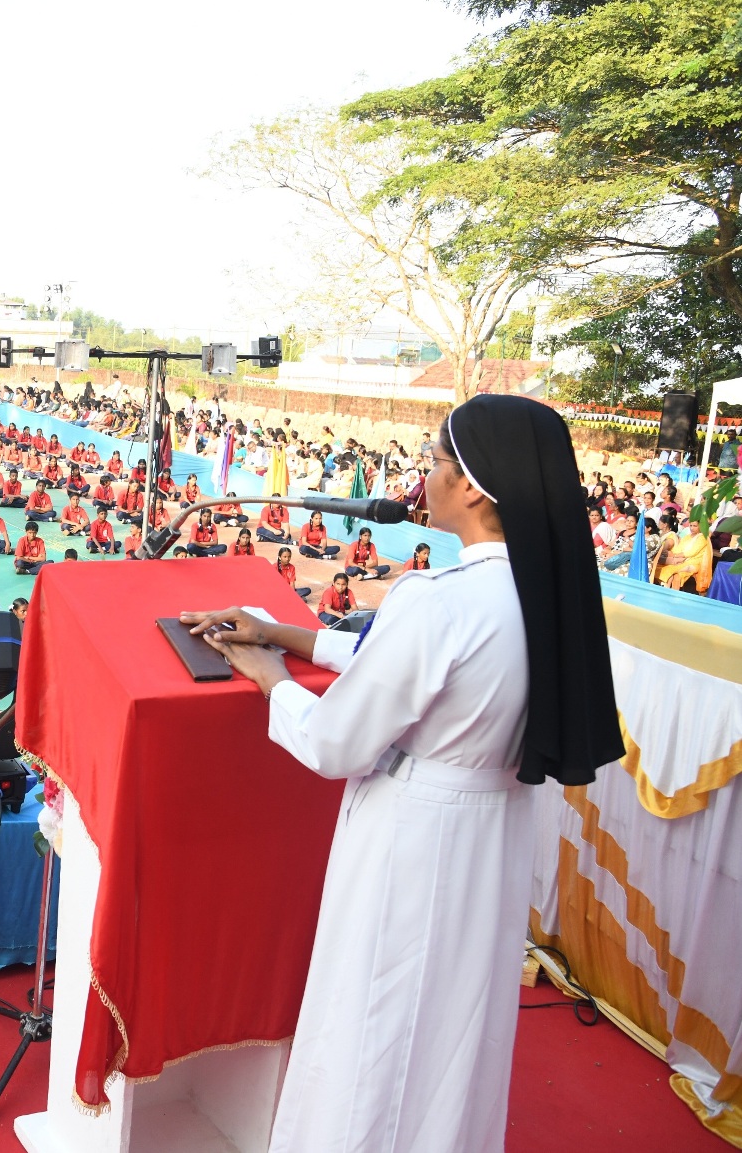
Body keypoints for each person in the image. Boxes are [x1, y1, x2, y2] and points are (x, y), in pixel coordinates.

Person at [180, 394, 622, 1153]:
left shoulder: (436, 598)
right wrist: (287, 633)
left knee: (375, 1025)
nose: (424, 478)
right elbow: (420, 672)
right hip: (490, 829)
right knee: (454, 1031)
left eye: (437, 462)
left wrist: (263, 672)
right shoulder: (537, 594)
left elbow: (334, 742)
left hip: (413, 835)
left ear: (476, 486)